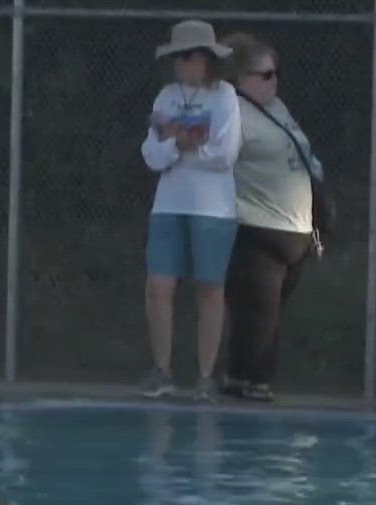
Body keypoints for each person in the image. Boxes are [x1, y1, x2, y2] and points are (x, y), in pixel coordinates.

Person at [138, 20, 243, 403]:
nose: (182, 63)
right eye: (177, 56)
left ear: (206, 59)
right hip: (168, 205)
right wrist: (181, 145)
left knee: (209, 290)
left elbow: (224, 154)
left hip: (213, 209)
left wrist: (178, 144)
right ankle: (162, 371)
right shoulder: (166, 97)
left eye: (189, 56)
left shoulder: (224, 96)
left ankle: (204, 376)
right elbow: (152, 155)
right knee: (158, 287)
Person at [217, 30, 322, 404]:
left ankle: (239, 377)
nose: (272, 81)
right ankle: (251, 382)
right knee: (259, 313)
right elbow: (215, 162)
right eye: (264, 75)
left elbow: (299, 148)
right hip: (256, 228)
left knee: (270, 314)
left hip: (294, 228)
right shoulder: (232, 112)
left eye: (275, 73)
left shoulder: (276, 109)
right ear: (239, 79)